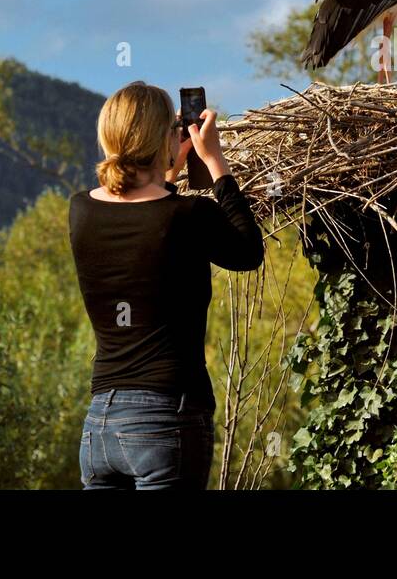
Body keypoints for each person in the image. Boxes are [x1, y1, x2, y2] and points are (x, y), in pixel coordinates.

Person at [68, 81, 264, 489]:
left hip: (99, 424)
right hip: (165, 417)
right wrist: (216, 163)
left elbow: (145, 214)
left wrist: (166, 169)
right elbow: (248, 251)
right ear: (164, 137)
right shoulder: (189, 214)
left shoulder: (81, 210)